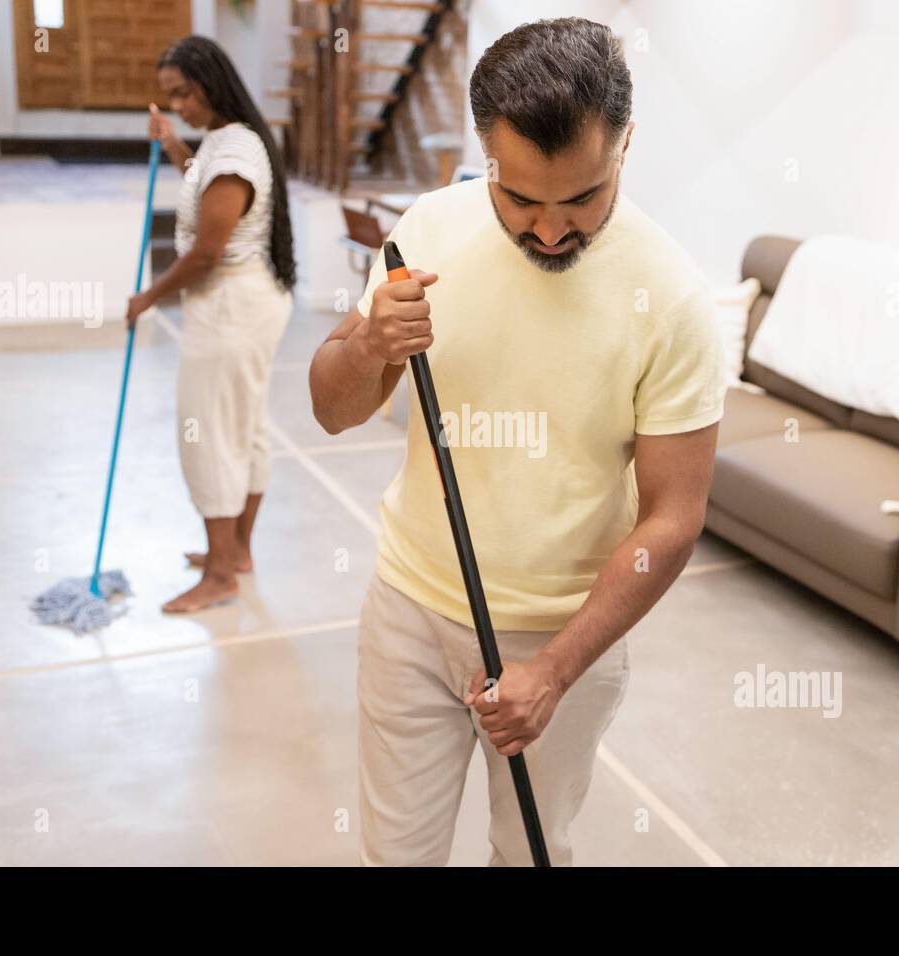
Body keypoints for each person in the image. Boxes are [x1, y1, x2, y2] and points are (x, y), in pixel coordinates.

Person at [309, 17, 726, 865]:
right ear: (485, 156)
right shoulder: (424, 232)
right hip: (411, 608)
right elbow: (330, 408)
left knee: (531, 853)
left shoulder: (672, 297)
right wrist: (366, 346)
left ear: (626, 146)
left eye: (582, 199)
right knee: (395, 856)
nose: (547, 231)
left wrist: (558, 671)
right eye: (520, 200)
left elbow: (673, 519)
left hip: (561, 633)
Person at [126, 36, 296, 614]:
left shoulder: (233, 151)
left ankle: (220, 574)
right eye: (170, 98)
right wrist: (174, 145)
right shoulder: (229, 142)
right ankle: (237, 553)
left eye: (183, 95)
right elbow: (205, 185)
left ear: (210, 83)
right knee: (242, 428)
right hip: (245, 305)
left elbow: (206, 251)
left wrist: (147, 297)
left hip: (230, 308)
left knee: (210, 435)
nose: (178, 106)